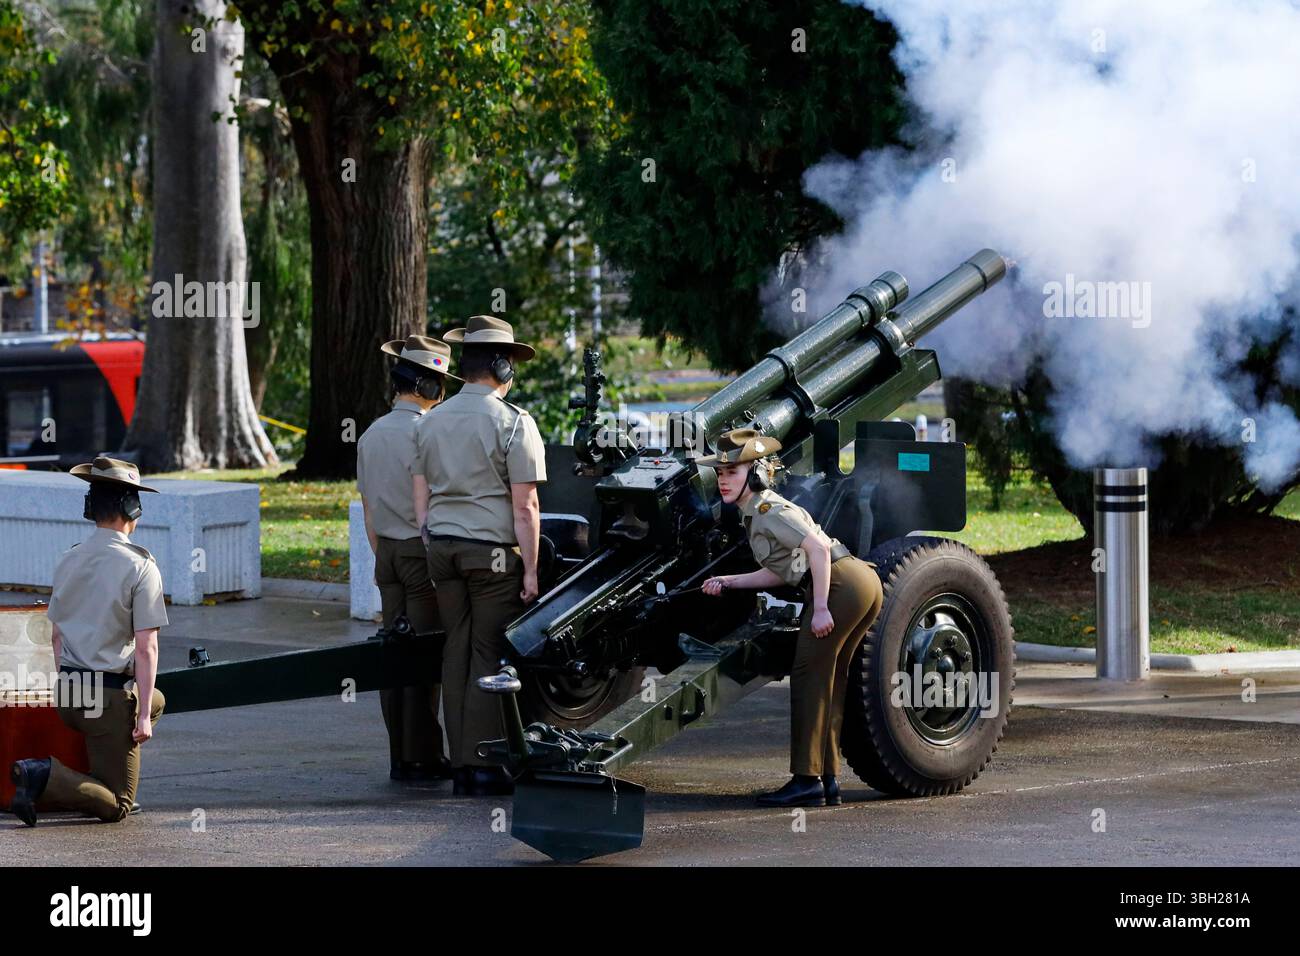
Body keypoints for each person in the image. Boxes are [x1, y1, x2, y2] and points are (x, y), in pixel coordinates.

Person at [699, 429, 883, 808]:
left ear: (755, 475)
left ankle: (806, 780)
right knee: (829, 680)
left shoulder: (768, 510)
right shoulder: (755, 514)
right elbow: (785, 571)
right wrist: (728, 581)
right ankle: (827, 779)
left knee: (808, 676)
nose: (723, 480)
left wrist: (819, 608)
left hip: (841, 584)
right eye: (720, 474)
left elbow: (816, 549)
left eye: (732, 472)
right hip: (856, 581)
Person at [412, 315, 547, 797]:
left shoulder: (432, 420)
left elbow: (420, 493)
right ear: (499, 366)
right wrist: (530, 569)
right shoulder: (514, 423)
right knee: (488, 651)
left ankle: (463, 764)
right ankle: (485, 761)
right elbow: (526, 506)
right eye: (509, 361)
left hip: (443, 548)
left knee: (456, 649)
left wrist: (433, 540)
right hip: (490, 555)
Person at [8, 457, 168, 826]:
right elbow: (147, 647)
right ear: (133, 507)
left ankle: (99, 763)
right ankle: (41, 775)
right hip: (106, 699)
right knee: (119, 805)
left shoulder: (69, 559)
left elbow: (57, 634)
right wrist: (142, 716)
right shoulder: (141, 565)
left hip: (68, 694)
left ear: (90, 508)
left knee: (155, 699)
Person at [357, 334, 460, 783]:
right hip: (420, 552)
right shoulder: (429, 431)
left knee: (393, 655)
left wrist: (385, 553)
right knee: (423, 657)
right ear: (429, 386)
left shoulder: (370, 434)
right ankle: (422, 756)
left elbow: (367, 509)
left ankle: (401, 752)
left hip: (387, 555)